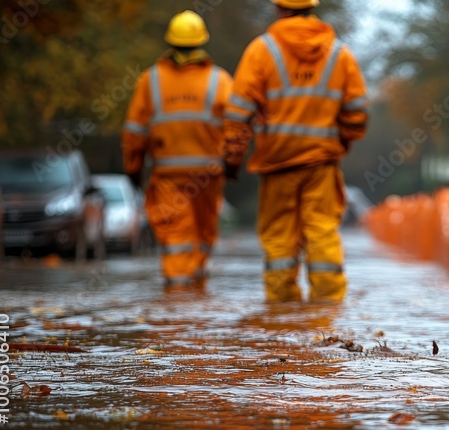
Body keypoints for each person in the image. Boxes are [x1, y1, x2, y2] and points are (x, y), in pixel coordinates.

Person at [223, 0, 369, 303]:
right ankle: (327, 313)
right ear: (312, 8)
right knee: (323, 231)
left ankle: (281, 316)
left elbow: (238, 114)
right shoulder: (339, 53)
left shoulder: (261, 50)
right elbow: (357, 112)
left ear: (279, 8)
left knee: (279, 240)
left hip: (277, 163)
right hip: (321, 163)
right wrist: (340, 143)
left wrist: (232, 159)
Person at [123, 11, 232, 289]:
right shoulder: (220, 81)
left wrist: (133, 169)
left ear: (170, 42)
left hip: (169, 177)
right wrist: (233, 163)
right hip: (208, 176)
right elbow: (237, 129)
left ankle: (178, 305)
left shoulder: (151, 80)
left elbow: (134, 132)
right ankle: (196, 292)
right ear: (201, 42)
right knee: (204, 232)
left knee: (176, 237)